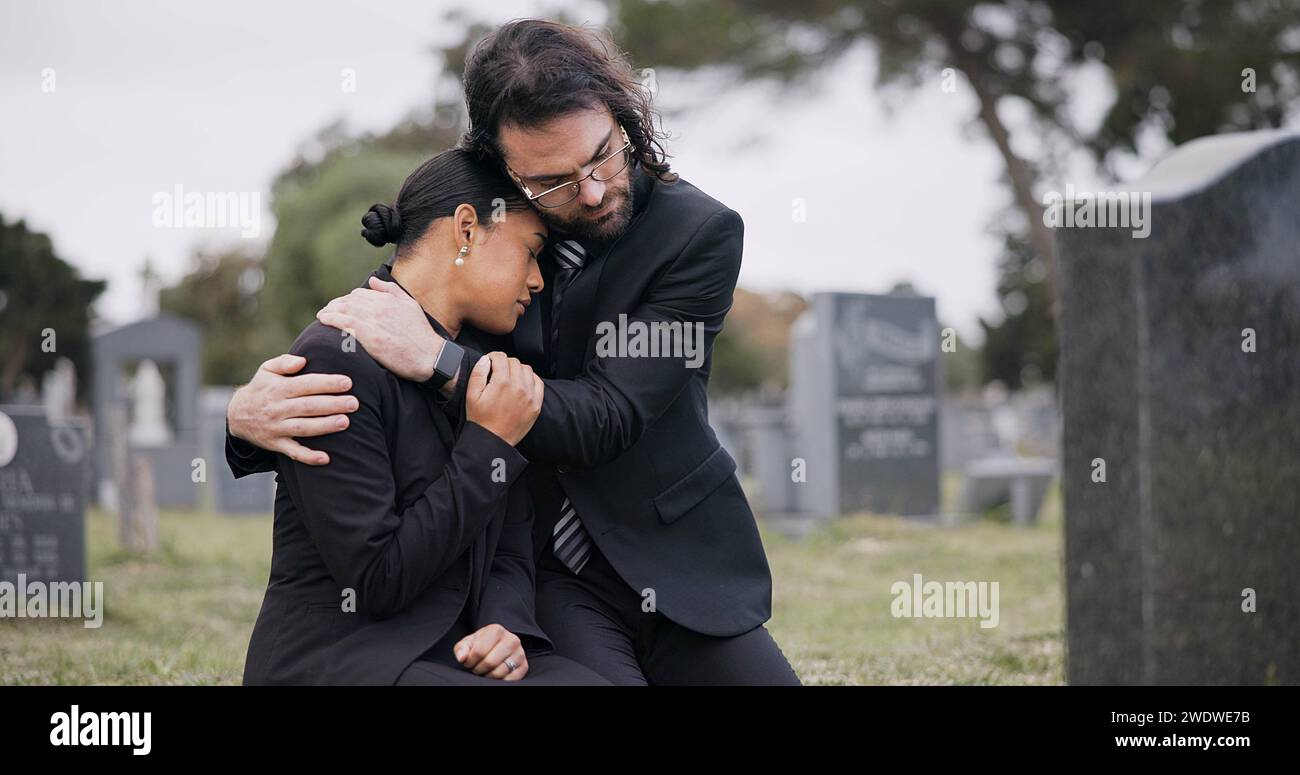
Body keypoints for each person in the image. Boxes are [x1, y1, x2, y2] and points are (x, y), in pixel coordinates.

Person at [230, 19, 800, 686]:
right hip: (540, 575)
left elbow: (608, 413)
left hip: (675, 558)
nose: (590, 191)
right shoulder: (492, 227)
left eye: (603, 156)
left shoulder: (699, 233)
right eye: (554, 181)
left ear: (624, 116)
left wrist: (446, 366)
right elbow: (393, 310)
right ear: (501, 173)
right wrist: (245, 421)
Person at [241, 147, 609, 685]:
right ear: (466, 229)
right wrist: (488, 442)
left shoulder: (481, 367)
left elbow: (509, 544)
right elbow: (377, 579)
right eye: (531, 252)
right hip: (347, 658)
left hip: (449, 653)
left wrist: (504, 626)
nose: (537, 281)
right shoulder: (335, 359)